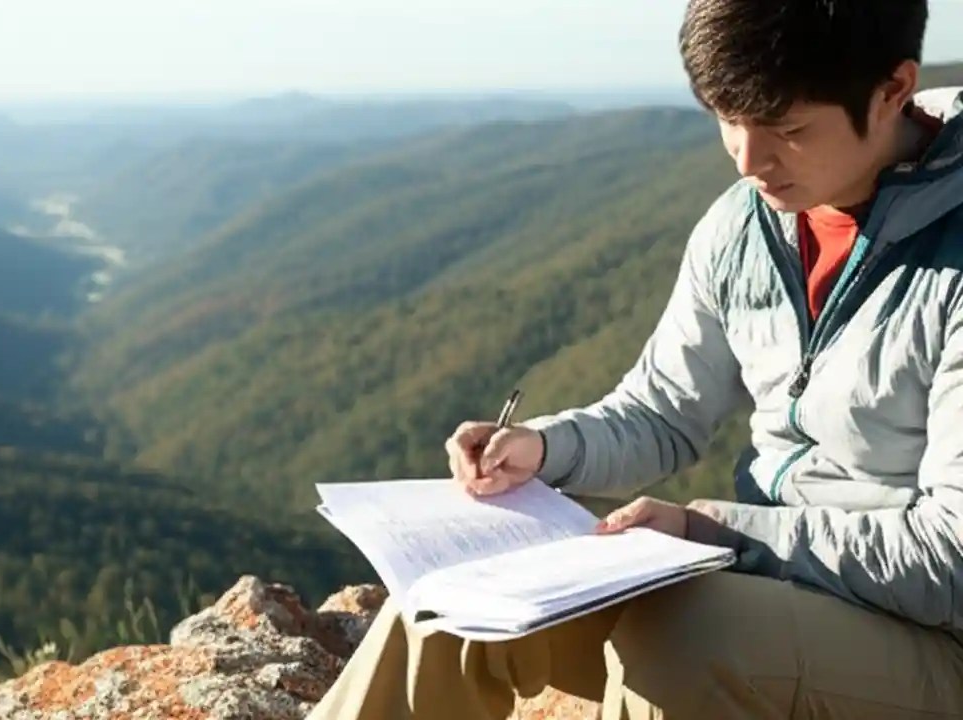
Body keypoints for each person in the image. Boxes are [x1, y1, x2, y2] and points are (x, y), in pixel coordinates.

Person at [307, 1, 963, 718]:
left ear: (893, 88)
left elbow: (950, 561)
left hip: (928, 642)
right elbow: (662, 412)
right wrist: (543, 448)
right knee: (448, 604)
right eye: (726, 119)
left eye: (789, 130)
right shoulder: (744, 226)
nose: (749, 162)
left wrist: (717, 530)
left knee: (688, 637)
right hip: (764, 590)